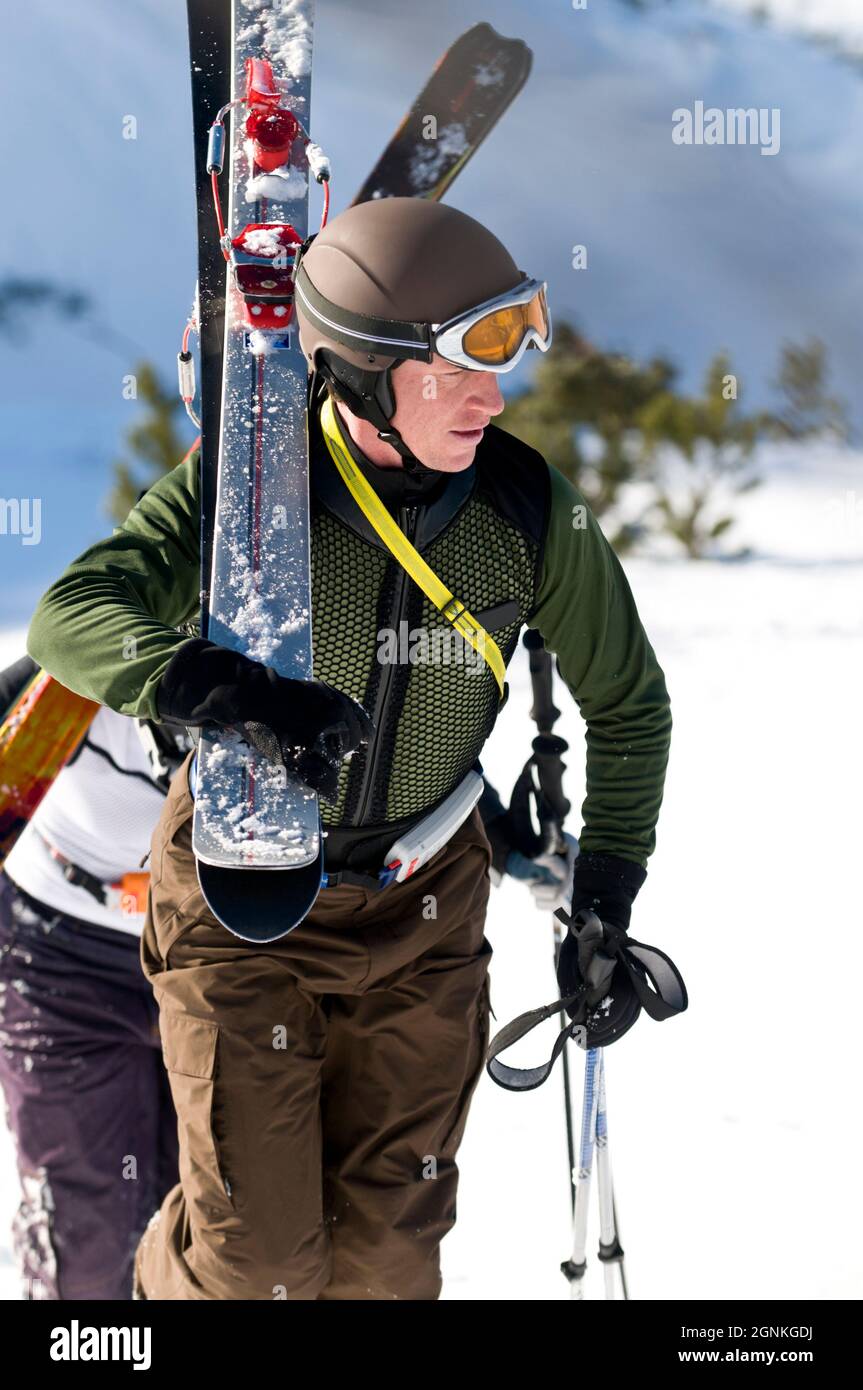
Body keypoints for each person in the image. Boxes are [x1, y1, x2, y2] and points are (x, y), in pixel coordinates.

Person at [27, 197, 671, 1301]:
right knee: (261, 1262)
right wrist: (224, 692)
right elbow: (70, 615)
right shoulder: (250, 494)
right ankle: (151, 1290)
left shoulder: (526, 510)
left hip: (425, 910)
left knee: (384, 1266)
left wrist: (603, 896)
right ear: (370, 372)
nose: (495, 390)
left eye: (511, 345)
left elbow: (628, 705)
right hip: (244, 897)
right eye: (466, 358)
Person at [0, 655, 190, 1300]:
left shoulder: (302, 628)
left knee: (219, 1224)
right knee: (85, 1239)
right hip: (56, 950)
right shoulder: (103, 626)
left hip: (223, 957)